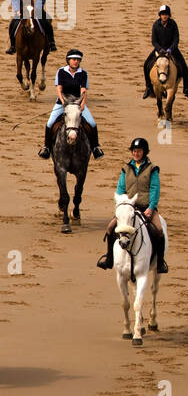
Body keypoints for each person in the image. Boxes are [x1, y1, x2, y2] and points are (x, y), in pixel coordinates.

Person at [96, 137, 167, 273]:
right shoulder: (126, 168)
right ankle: (109, 259)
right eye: (134, 151)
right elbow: (120, 189)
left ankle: (160, 263)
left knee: (158, 230)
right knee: (110, 228)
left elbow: (155, 190)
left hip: (146, 208)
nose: (136, 153)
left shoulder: (152, 169)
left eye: (138, 151)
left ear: (144, 152)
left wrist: (151, 208)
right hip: (129, 208)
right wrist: (121, 206)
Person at [38, 49, 104, 159]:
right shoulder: (61, 71)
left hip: (77, 103)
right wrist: (63, 103)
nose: (76, 62)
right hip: (62, 102)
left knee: (92, 123)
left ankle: (96, 148)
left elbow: (83, 90)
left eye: (78, 60)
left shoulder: (83, 73)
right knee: (49, 123)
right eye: (73, 59)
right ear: (68, 60)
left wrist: (82, 104)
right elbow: (59, 89)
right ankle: (46, 148)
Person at [142, 4, 188, 100]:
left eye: (166, 14)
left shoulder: (173, 24)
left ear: (169, 15)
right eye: (163, 14)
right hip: (159, 49)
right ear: (160, 15)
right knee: (146, 65)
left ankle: (186, 88)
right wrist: (159, 49)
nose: (164, 16)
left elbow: (176, 39)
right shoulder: (156, 25)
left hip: (172, 50)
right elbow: (154, 41)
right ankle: (148, 87)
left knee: (184, 67)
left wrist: (170, 49)